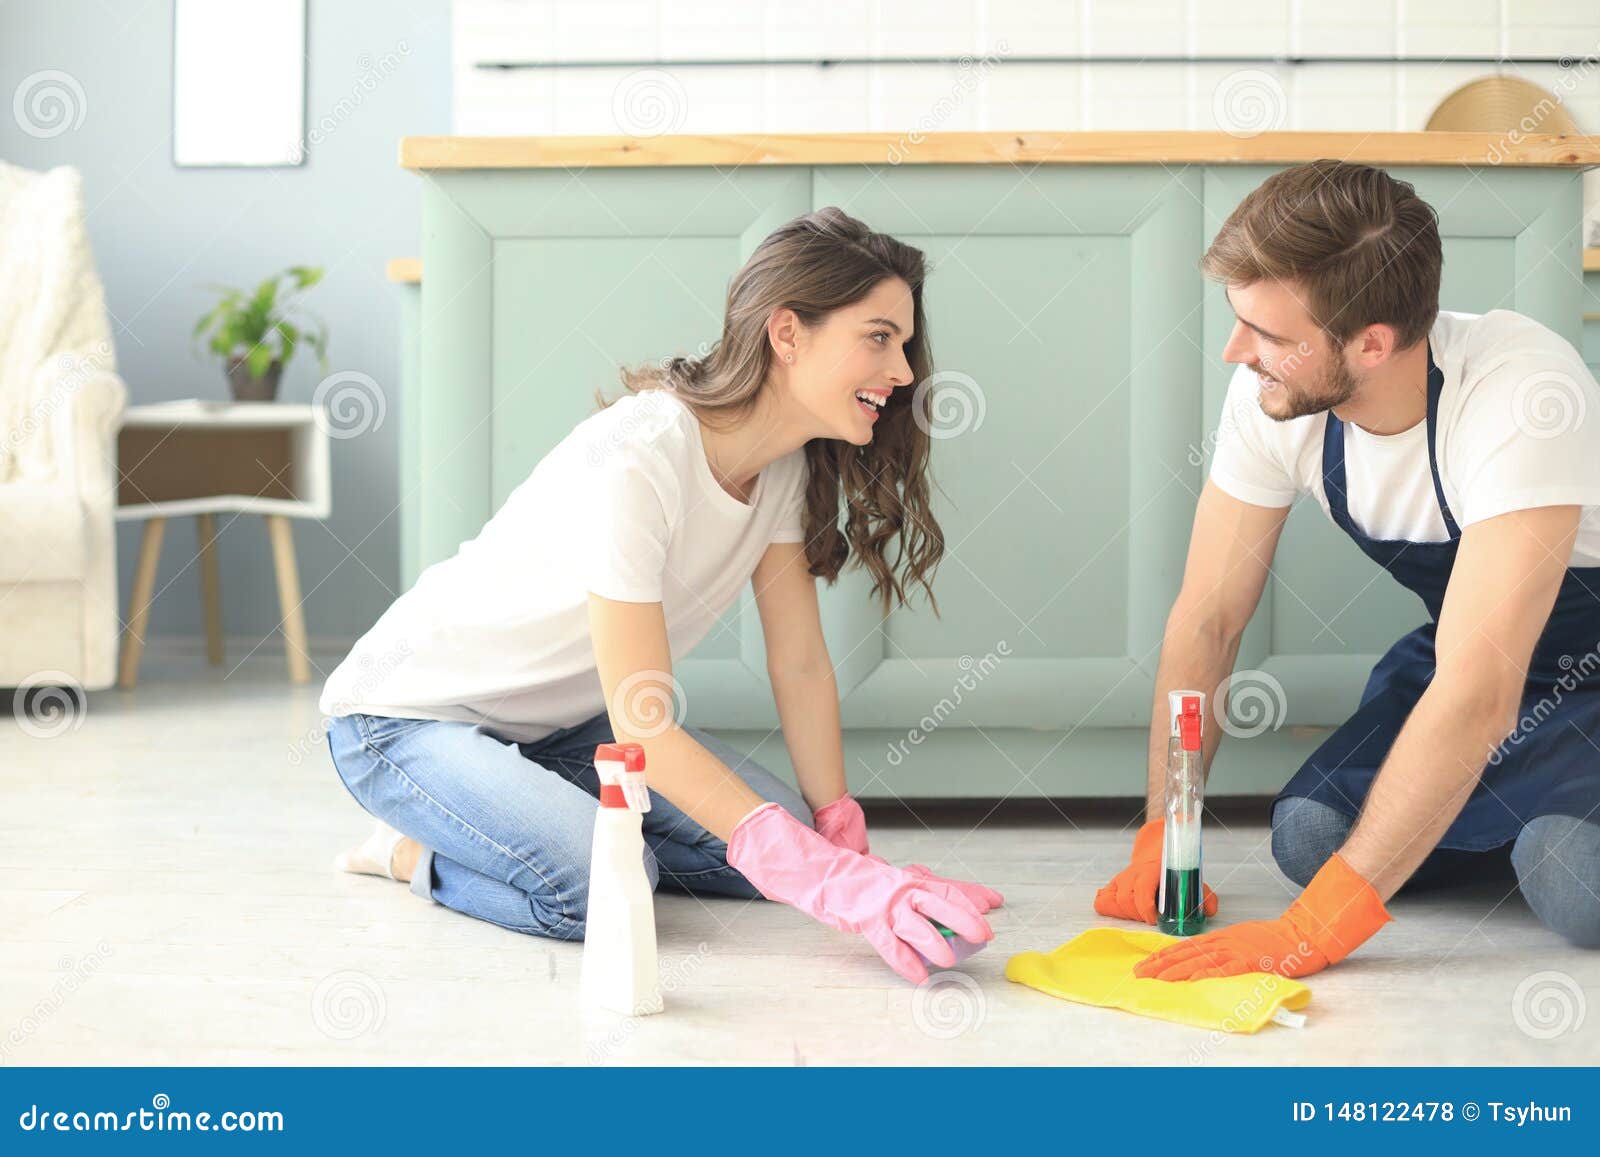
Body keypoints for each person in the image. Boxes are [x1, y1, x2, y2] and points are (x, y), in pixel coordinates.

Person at [320, 207, 1002, 984]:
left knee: (778, 853)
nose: (906, 371)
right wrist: (825, 878)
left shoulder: (781, 469)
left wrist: (841, 847)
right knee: (603, 890)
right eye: (879, 337)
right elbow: (645, 719)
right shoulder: (640, 455)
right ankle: (409, 850)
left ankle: (533, 817)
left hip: (567, 727)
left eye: (905, 344)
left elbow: (802, 665)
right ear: (788, 333)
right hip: (406, 719)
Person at [1095, 159, 1600, 980]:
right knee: (1308, 835)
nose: (1235, 352)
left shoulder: (1520, 392)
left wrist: (1315, 930)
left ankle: (1533, 831)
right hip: (1468, 663)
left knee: (1573, 878)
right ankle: (1498, 822)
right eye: (1239, 320)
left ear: (1372, 344)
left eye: (1270, 337)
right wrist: (1169, 829)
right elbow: (1208, 618)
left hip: (1552, 672)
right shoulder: (1276, 392)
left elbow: (1479, 695)